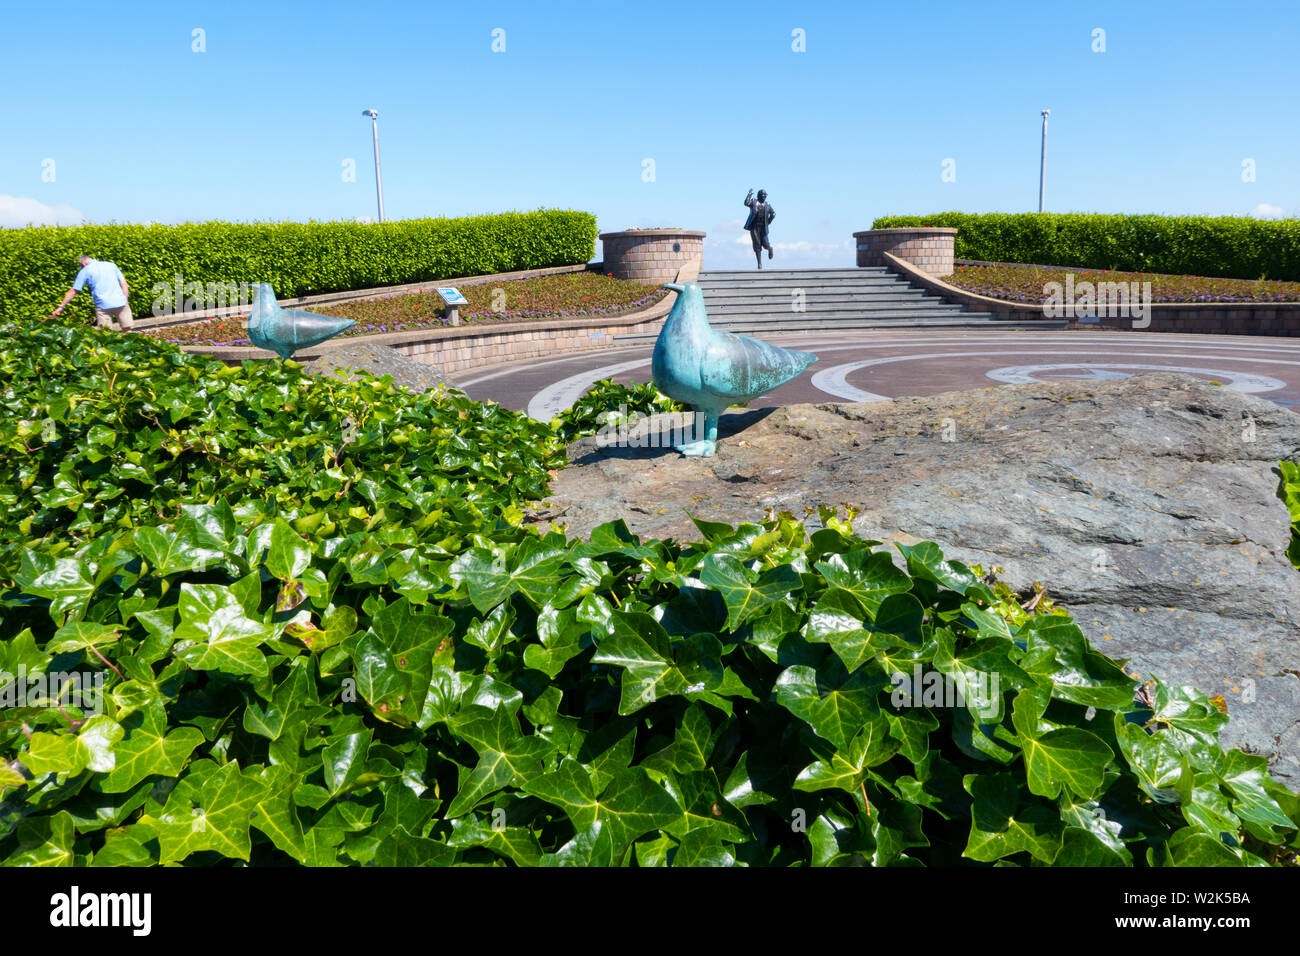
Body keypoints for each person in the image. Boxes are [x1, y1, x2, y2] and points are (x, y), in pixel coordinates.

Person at [48, 254, 135, 330]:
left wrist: (61, 306)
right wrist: (125, 299)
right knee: (127, 329)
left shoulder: (85, 271)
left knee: (105, 334)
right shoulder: (111, 265)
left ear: (82, 264)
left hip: (102, 305)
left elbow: (73, 291)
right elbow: (124, 283)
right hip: (120, 301)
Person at [743, 188, 775, 269]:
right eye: (762, 195)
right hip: (754, 227)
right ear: (759, 196)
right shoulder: (754, 202)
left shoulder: (767, 204)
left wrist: (769, 221)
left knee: (765, 244)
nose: (764, 196)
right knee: (757, 245)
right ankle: (759, 264)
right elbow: (746, 203)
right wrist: (749, 194)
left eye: (765, 195)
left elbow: (773, 213)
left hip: (763, 227)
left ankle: (769, 248)